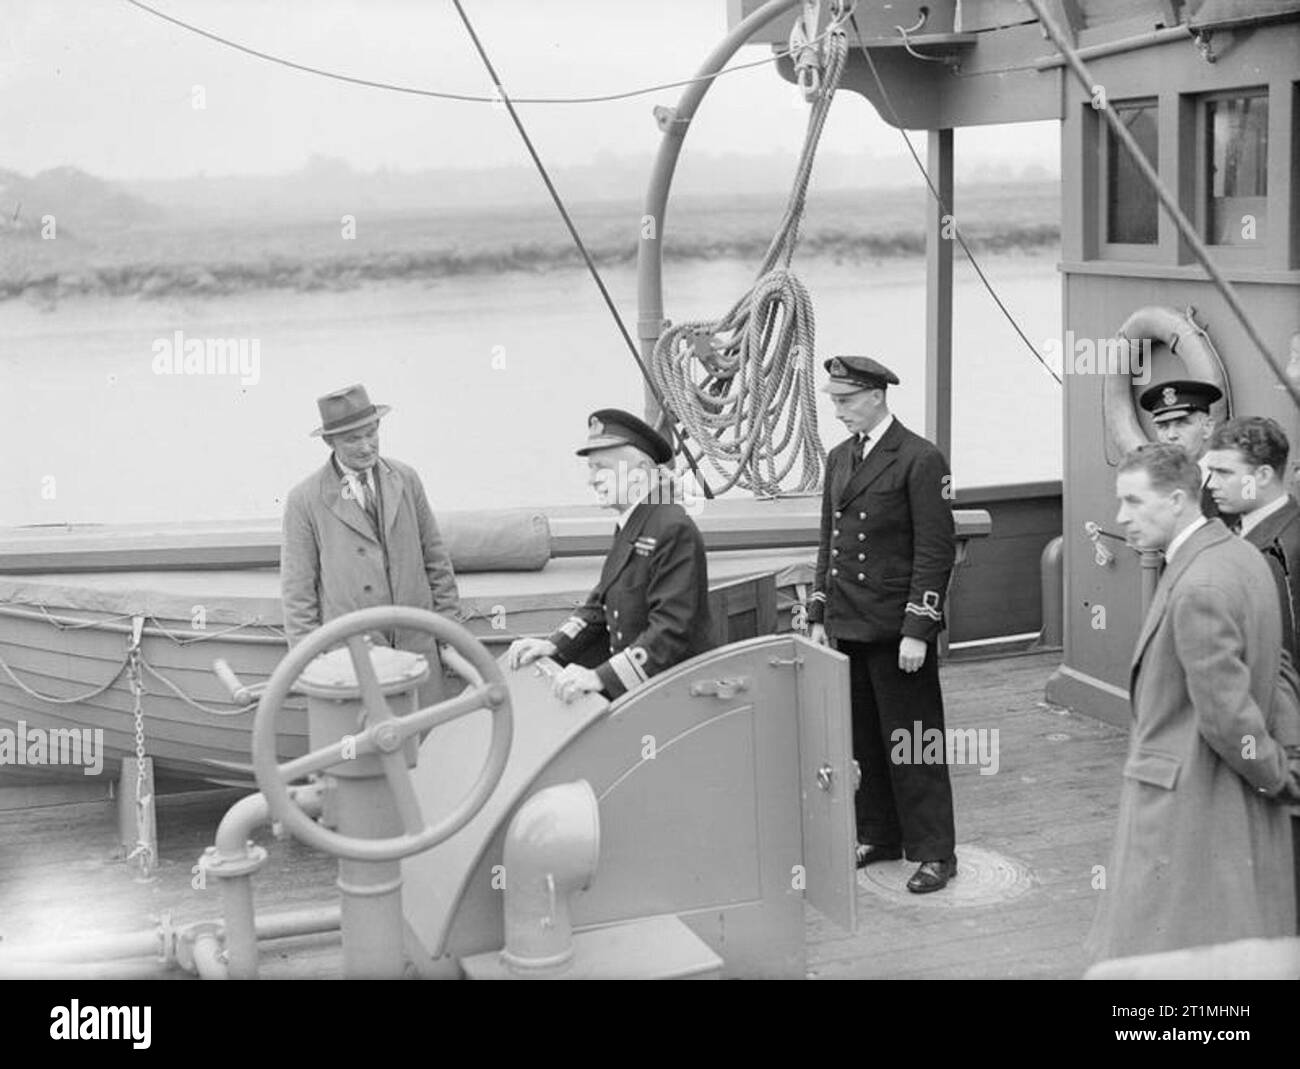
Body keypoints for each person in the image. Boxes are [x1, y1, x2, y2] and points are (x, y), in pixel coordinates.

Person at [1086, 443, 1299, 962]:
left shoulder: (1199, 582)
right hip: (1224, 800)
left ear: (1179, 499)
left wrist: (1279, 778)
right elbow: (1279, 675)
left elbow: (1228, 715)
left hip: (1191, 804)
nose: (1122, 518)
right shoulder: (1240, 554)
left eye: (1135, 503)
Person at [807, 356, 957, 894]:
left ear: (876, 396)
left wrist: (919, 627)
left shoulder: (920, 459)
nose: (839, 411)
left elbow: (935, 551)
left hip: (897, 630)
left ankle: (936, 850)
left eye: (846, 401)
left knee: (914, 742)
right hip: (849, 621)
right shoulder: (838, 459)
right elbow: (830, 543)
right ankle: (880, 833)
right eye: (834, 402)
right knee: (865, 740)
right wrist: (820, 613)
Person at [506, 409, 712, 703]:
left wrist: (599, 678)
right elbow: (601, 604)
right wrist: (554, 645)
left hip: (672, 698)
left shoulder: (672, 528)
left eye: (601, 468)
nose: (592, 481)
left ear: (640, 472)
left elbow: (671, 632)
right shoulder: (636, 522)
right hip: (643, 690)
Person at [280, 383, 460, 701]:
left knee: (427, 742)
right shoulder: (304, 500)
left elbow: (436, 561)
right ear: (329, 441)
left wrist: (449, 635)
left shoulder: (406, 479)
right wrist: (310, 663)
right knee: (365, 746)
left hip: (418, 651)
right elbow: (298, 592)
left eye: (371, 433)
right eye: (352, 438)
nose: (366, 446)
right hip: (351, 660)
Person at [1205, 416, 1300, 663]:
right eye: (1211, 472)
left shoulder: (1276, 555)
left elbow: (1281, 666)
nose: (1212, 484)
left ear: (1263, 476)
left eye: (1224, 473)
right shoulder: (1245, 527)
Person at [1138, 378, 1223, 519]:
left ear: (1207, 427)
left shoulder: (1236, 479)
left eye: (1182, 424)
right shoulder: (1157, 486)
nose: (1171, 435)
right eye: (1163, 426)